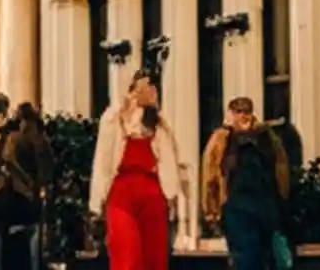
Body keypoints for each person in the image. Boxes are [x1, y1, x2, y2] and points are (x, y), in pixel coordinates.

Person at [89, 70, 181, 270]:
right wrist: (97, 201)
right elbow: (103, 158)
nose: (145, 92)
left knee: (153, 256)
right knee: (125, 254)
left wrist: (173, 197)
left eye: (149, 87)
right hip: (122, 193)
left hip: (152, 193)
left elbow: (168, 162)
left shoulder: (159, 124)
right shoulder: (114, 120)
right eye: (141, 87)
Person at [201, 97, 290, 270]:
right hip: (238, 207)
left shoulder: (265, 136)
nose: (243, 116)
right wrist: (212, 211)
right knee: (248, 258)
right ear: (231, 114)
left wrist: (280, 200)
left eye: (246, 111)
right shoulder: (222, 138)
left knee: (260, 258)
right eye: (239, 111)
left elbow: (280, 169)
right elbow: (210, 176)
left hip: (261, 207)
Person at [0, 103, 54, 270]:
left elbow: (2, 164)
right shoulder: (39, 139)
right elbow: (46, 170)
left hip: (17, 200)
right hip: (27, 200)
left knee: (5, 242)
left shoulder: (15, 139)